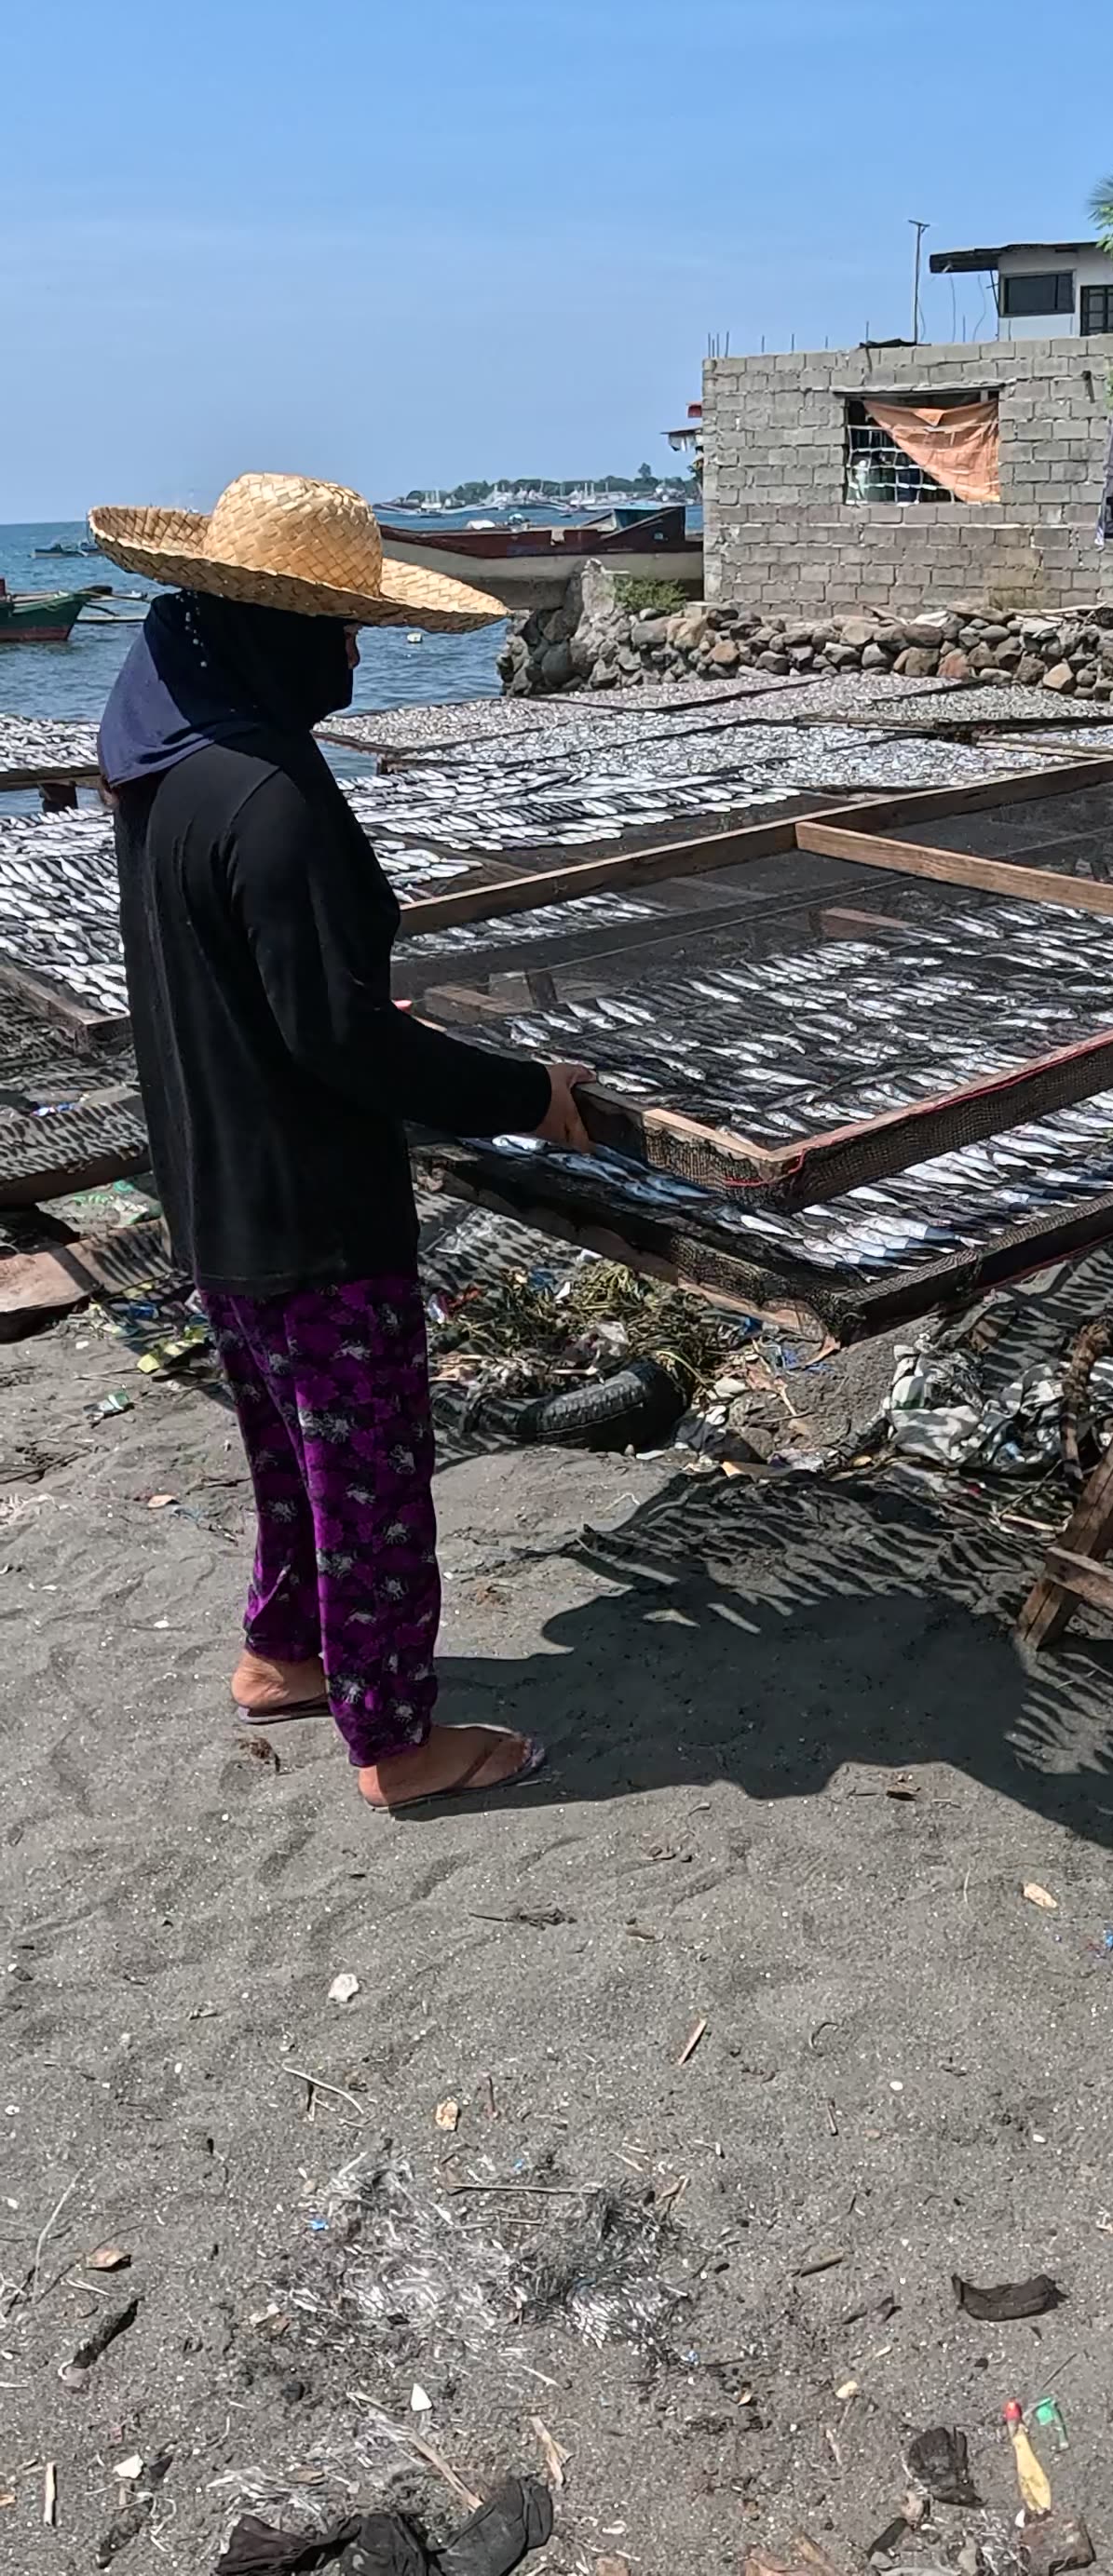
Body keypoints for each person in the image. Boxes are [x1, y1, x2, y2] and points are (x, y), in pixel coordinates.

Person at [90, 470, 594, 1812]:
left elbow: (266, 990)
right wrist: (523, 1091)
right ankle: (397, 1743)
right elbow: (340, 1046)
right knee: (370, 1477)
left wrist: (352, 1002)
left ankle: (279, 1651)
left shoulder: (167, 768)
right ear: (273, 631)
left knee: (289, 1456)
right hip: (313, 1211)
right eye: (338, 628)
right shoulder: (272, 799)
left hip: (212, 1191)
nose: (356, 653)